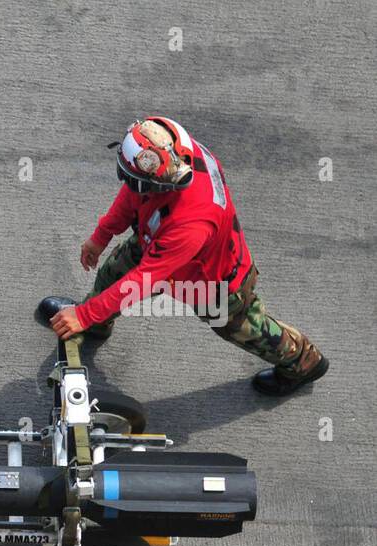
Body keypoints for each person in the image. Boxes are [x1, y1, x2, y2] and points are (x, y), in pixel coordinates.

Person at [42, 116, 327, 396]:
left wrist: (83, 314)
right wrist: (100, 236)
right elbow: (134, 193)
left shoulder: (192, 223)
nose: (128, 184)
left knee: (249, 331)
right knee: (112, 272)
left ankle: (303, 362)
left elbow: (143, 281)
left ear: (160, 185)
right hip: (158, 240)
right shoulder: (173, 156)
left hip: (215, 284)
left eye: (136, 180)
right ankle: (96, 324)